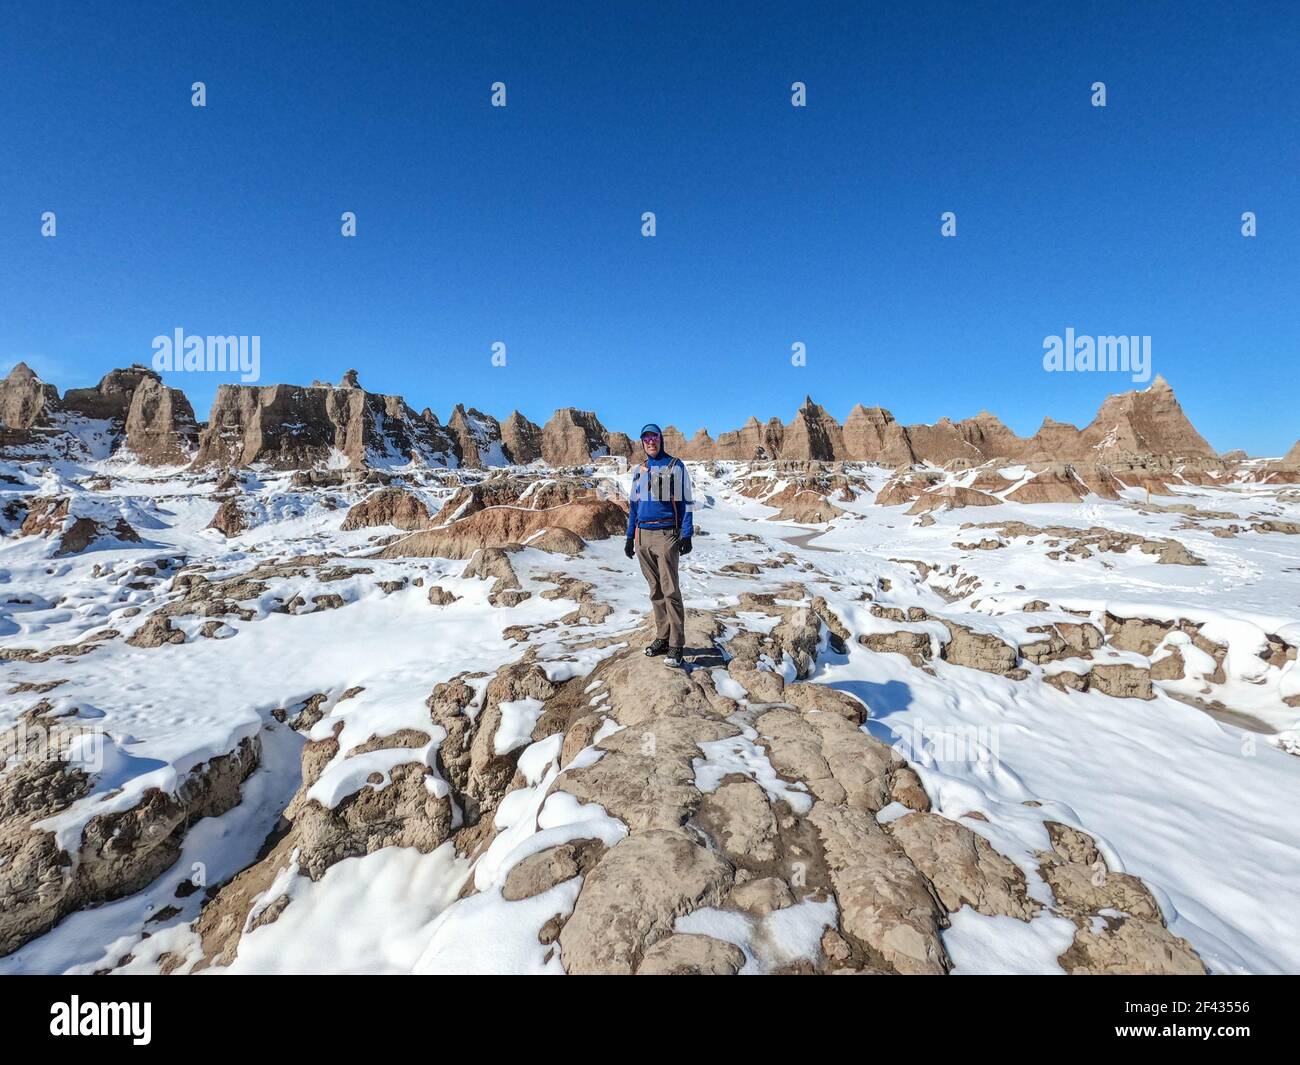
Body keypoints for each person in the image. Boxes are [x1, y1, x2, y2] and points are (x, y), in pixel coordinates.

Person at [624, 423, 694, 666]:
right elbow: (633, 506)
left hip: (666, 535)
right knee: (655, 591)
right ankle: (662, 637)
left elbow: (686, 501)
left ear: (661, 440)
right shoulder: (639, 470)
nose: (650, 441)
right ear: (642, 443)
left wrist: (687, 534)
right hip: (642, 536)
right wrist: (629, 536)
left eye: (654, 437)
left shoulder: (675, 466)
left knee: (670, 590)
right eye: (646, 438)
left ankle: (676, 644)